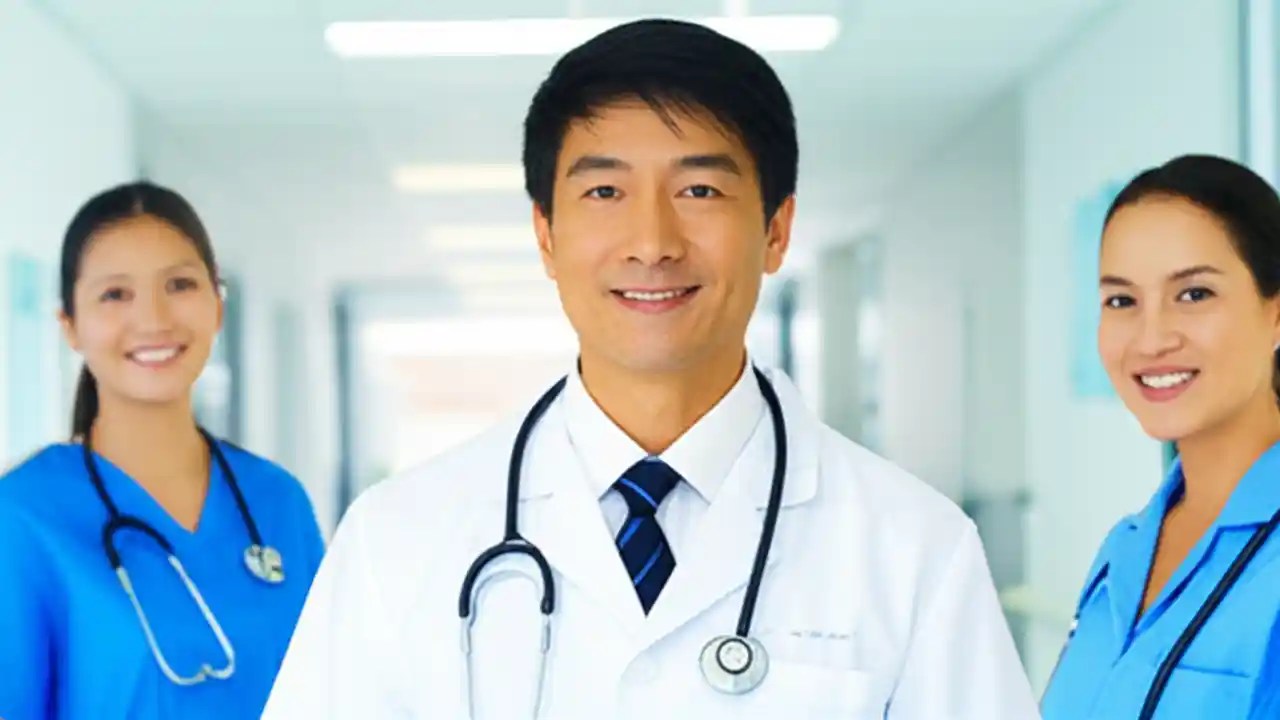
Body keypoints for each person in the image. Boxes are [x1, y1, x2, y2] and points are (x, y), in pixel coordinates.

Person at [263, 18, 1037, 719]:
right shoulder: (396, 539)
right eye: (604, 190)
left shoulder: (916, 548)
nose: (652, 240)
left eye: (700, 189)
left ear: (775, 228)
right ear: (546, 233)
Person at [0, 181, 326, 720]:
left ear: (217, 306)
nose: (153, 318)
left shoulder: (276, 501)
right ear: (70, 326)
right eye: (115, 294)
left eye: (179, 284)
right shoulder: (22, 517)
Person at [1040, 155, 1280, 719]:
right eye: (1121, 301)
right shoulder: (1122, 552)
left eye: (1194, 294)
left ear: (1276, 313)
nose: (1151, 340)